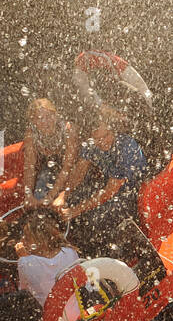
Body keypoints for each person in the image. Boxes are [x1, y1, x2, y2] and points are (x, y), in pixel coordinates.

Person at [53, 105, 147, 251]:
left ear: (113, 131)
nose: (103, 142)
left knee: (94, 221)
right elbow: (79, 173)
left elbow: (110, 191)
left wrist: (76, 211)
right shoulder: (91, 145)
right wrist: (63, 195)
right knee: (72, 201)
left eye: (106, 136)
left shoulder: (126, 147)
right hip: (110, 184)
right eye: (97, 139)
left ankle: (109, 248)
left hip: (134, 193)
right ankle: (75, 242)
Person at [13, 208, 82, 321]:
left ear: (38, 241)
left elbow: (24, 291)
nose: (22, 241)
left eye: (26, 237)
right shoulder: (70, 252)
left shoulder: (24, 263)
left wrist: (24, 258)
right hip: (77, 316)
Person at [20, 98, 80, 207]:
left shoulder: (68, 129)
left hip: (75, 168)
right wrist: (28, 195)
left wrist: (51, 196)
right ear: (33, 121)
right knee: (38, 196)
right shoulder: (31, 133)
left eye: (49, 116)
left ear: (56, 115)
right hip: (51, 167)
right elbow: (30, 166)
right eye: (40, 118)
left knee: (63, 202)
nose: (46, 122)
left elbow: (67, 167)